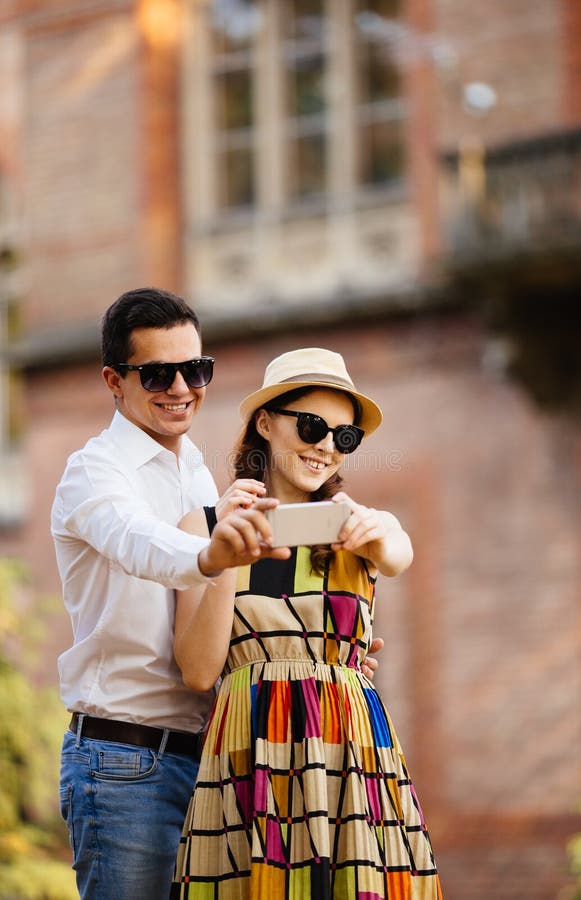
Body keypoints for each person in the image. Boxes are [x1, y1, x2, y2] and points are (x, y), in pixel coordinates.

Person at [52, 290, 382, 900]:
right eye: (157, 372)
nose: (181, 387)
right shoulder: (94, 473)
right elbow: (139, 544)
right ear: (113, 380)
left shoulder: (199, 475)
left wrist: (316, 643)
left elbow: (224, 614)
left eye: (196, 369)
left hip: (221, 762)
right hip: (126, 762)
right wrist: (213, 552)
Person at [171, 348, 443, 899]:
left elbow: (398, 555)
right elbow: (200, 672)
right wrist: (230, 548)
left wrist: (377, 537)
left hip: (346, 750)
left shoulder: (365, 526)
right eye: (313, 426)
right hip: (250, 749)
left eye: (344, 437)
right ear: (266, 423)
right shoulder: (202, 526)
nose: (325, 447)